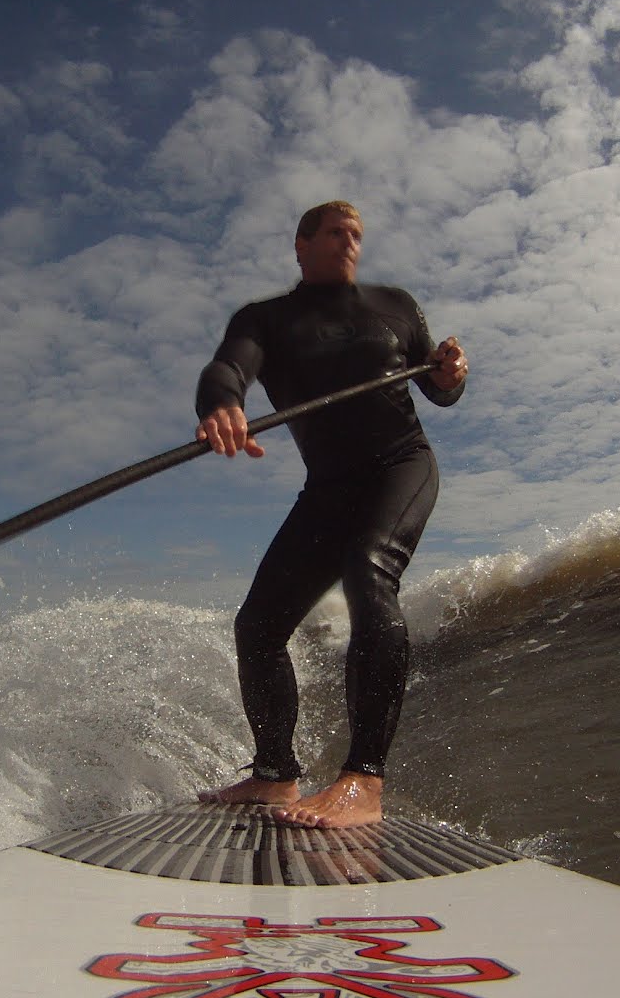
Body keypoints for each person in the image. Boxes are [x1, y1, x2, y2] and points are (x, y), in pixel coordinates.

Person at [194, 200, 468, 828]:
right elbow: (229, 367)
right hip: (328, 489)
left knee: (368, 572)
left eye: (357, 235)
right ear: (302, 243)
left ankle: (363, 783)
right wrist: (221, 405)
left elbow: (439, 386)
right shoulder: (266, 319)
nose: (350, 243)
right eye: (337, 232)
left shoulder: (395, 306)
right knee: (258, 626)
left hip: (401, 467)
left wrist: (452, 372)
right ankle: (273, 775)